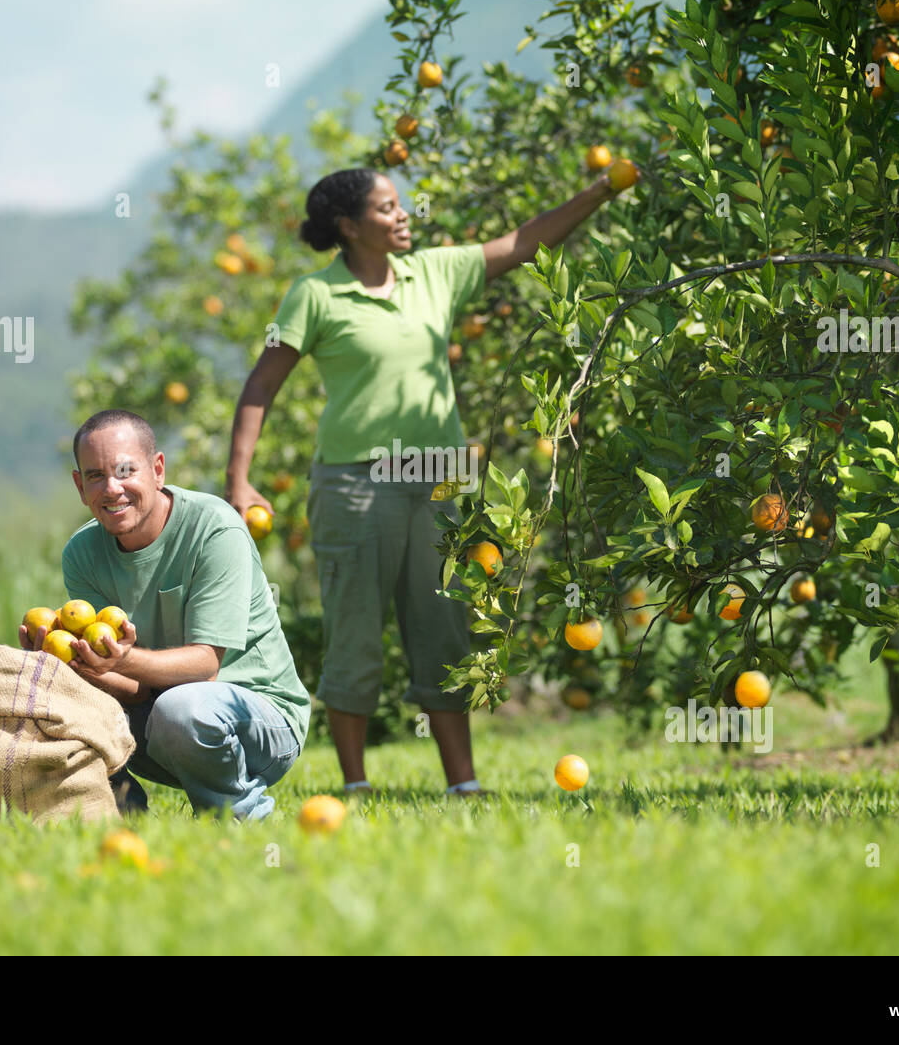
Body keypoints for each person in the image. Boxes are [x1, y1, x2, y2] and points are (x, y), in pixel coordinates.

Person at [224, 166, 629, 797]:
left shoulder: (434, 272)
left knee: (443, 629)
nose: (403, 215)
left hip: (438, 481)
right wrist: (239, 480)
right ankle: (354, 785)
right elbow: (263, 382)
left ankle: (462, 785)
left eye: (400, 204)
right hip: (356, 483)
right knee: (355, 632)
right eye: (387, 208)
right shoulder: (314, 296)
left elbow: (524, 243)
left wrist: (600, 191)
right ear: (350, 226)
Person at [19, 409, 310, 821]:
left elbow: (206, 666)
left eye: (124, 470)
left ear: (157, 470)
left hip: (260, 719)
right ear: (79, 486)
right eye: (95, 476)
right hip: (163, 718)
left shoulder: (214, 528)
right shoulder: (81, 553)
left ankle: (240, 820)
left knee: (181, 708)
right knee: (53, 703)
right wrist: (71, 664)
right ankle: (120, 812)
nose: (112, 488)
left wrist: (123, 659)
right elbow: (135, 690)